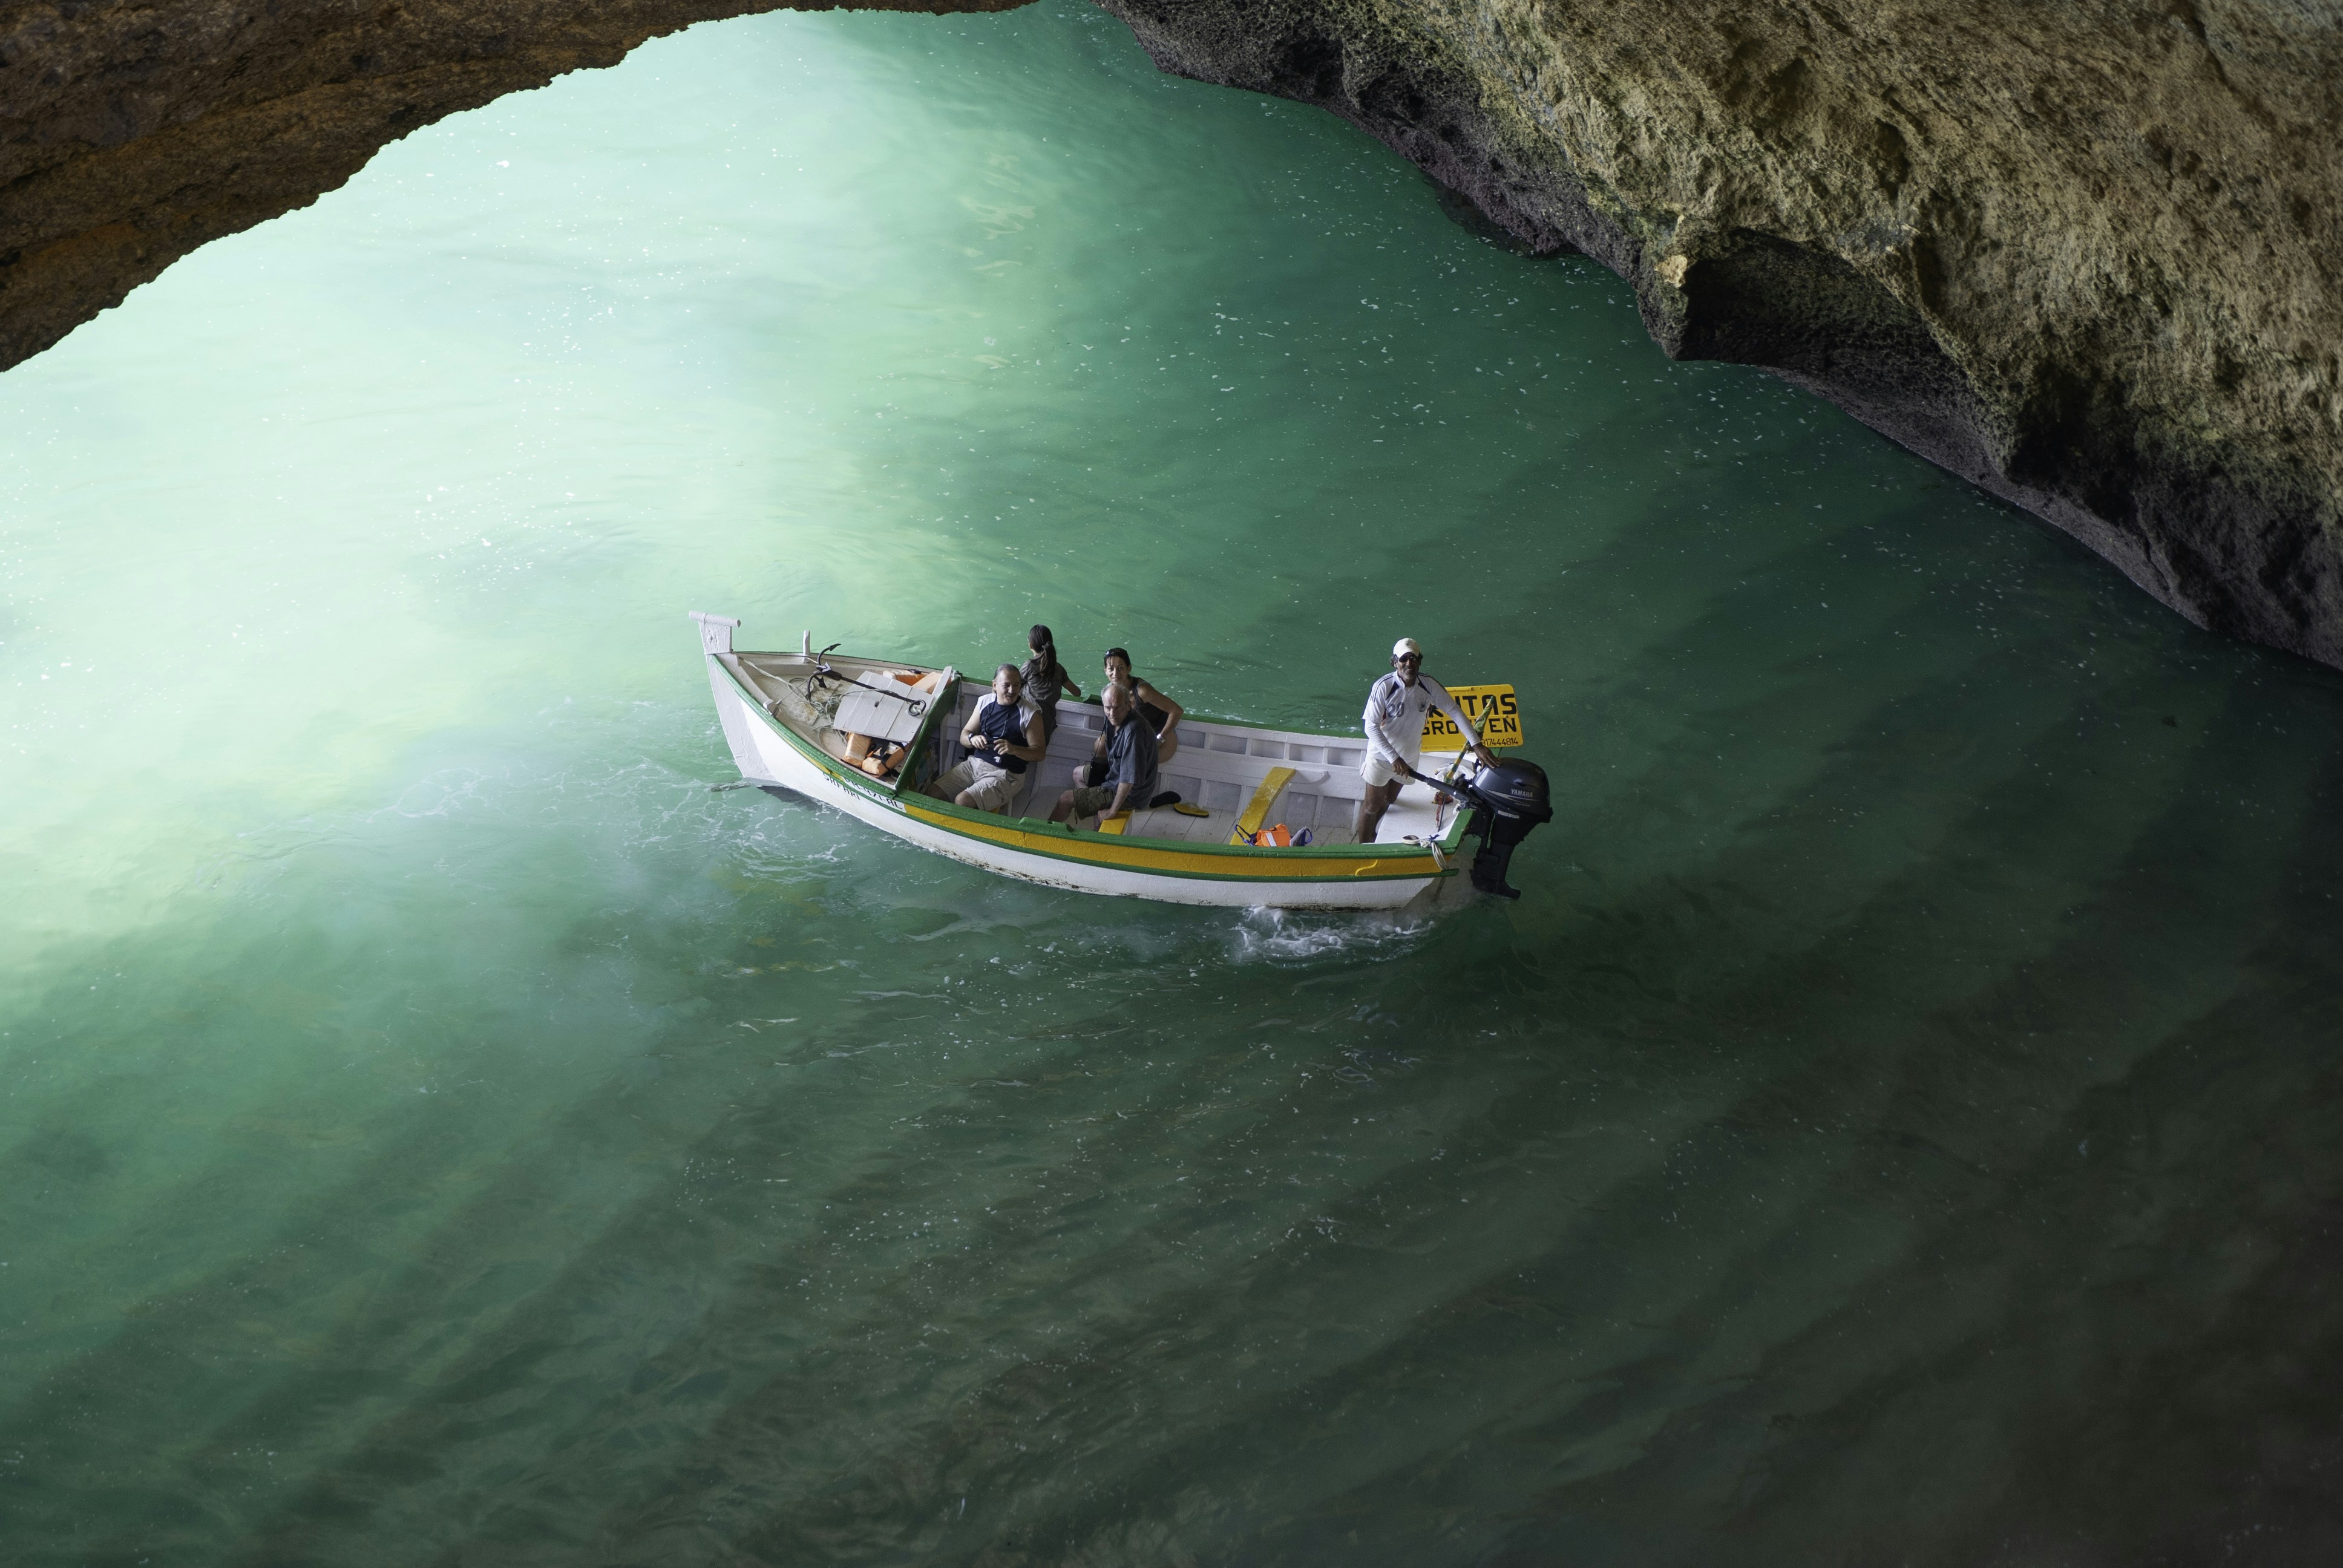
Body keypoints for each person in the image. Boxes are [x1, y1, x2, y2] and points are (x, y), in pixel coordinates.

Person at [1355, 636, 1497, 843]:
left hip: (1410, 756)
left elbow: (1454, 712)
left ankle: (1376, 833)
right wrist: (1394, 758)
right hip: (1382, 757)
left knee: (1390, 799)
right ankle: (1364, 847)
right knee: (1371, 807)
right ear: (1395, 662)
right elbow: (1370, 727)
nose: (1409, 664)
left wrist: (1477, 745)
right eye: (1404, 659)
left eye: (1413, 658)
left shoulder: (1429, 685)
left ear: (1420, 661)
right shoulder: (1383, 687)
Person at [926, 664, 1046, 814]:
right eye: (1007, 685)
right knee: (932, 794)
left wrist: (1014, 749)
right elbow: (965, 735)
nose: (1012, 691)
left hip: (1005, 774)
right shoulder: (984, 702)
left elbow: (1040, 753)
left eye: (1017, 685)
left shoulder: (1030, 714)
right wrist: (973, 739)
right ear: (995, 685)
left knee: (962, 801)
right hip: (974, 765)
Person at [1051, 682, 1159, 829]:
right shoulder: (1113, 718)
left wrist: (1112, 811)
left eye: (1117, 708)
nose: (1112, 713)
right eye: (1108, 708)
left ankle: (1042, 833)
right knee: (1077, 774)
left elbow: (1128, 781)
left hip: (1131, 794)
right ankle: (1096, 816)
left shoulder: (1134, 732)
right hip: (1115, 775)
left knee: (1065, 799)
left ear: (1129, 705)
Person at [1098, 646, 1182, 766]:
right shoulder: (1110, 692)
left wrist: (1160, 739)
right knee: (1100, 746)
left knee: (1129, 755)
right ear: (1105, 670)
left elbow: (1176, 711)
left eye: (1121, 668)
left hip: (1161, 739)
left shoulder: (1142, 691)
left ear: (1129, 668)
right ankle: (1100, 781)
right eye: (1111, 668)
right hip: (1136, 736)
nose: (1115, 673)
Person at [1019, 624, 1082, 741]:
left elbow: (1013, 685)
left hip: (1027, 724)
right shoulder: (1058, 669)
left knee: (1019, 686)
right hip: (1047, 727)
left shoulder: (1029, 666)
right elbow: (1077, 692)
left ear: (1030, 645)